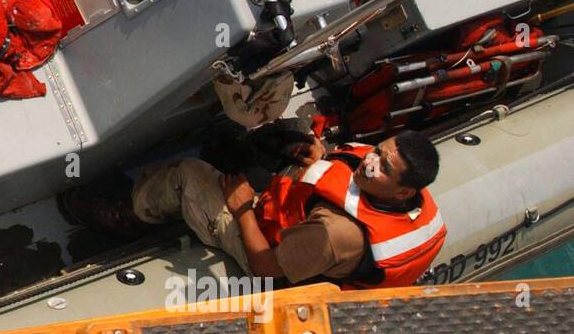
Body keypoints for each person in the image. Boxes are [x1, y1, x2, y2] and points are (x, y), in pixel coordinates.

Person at [60, 130, 445, 289]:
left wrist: (243, 207)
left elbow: (264, 266)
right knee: (270, 136)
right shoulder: (384, 181)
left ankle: (129, 218)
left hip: (269, 254)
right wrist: (318, 155)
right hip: (286, 207)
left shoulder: (335, 233)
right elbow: (344, 165)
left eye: (385, 168)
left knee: (188, 175)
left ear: (402, 191)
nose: (371, 164)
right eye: (378, 151)